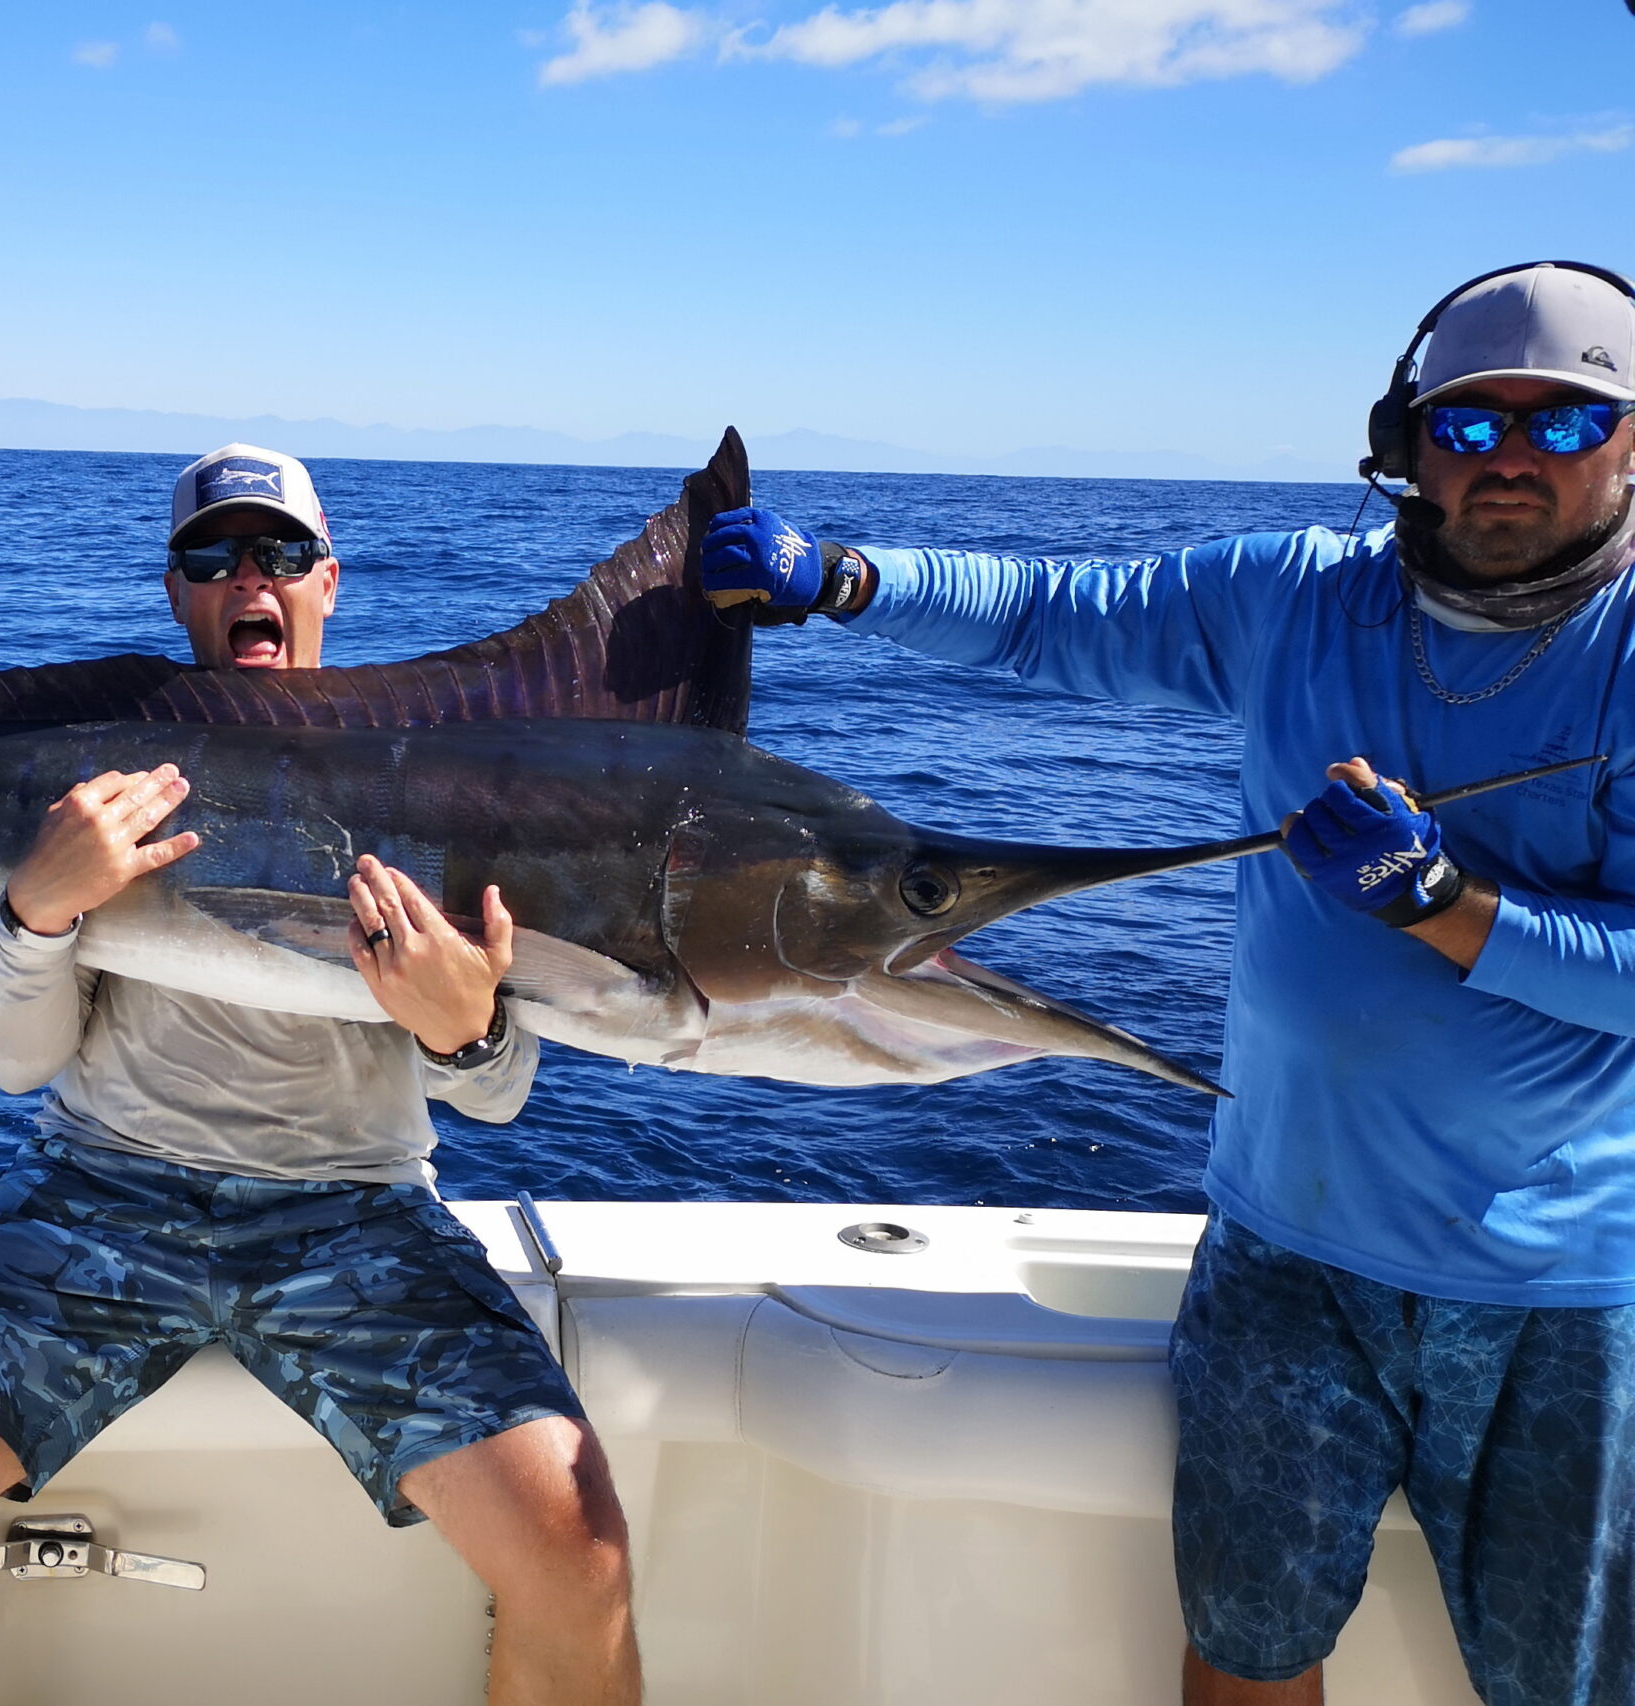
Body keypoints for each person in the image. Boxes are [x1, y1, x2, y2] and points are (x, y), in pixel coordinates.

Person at [701, 261, 1635, 1706]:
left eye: (1565, 424)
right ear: (1404, 443)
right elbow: (1049, 613)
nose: (1510, 455)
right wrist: (842, 580)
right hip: (1287, 1259)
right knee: (1244, 1656)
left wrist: (1445, 905)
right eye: (1469, 423)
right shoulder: (1296, 600)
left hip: (1567, 1291)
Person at [0, 444, 638, 1706]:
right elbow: (19, 1060)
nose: (247, 579)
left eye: (278, 554)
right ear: (177, 594)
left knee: (576, 1546)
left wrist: (464, 1028)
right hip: (99, 1190)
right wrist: (34, 915)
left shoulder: (431, 780)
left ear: (327, 580)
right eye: (212, 559)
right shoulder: (108, 783)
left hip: (354, 1212)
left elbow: (496, 1094)